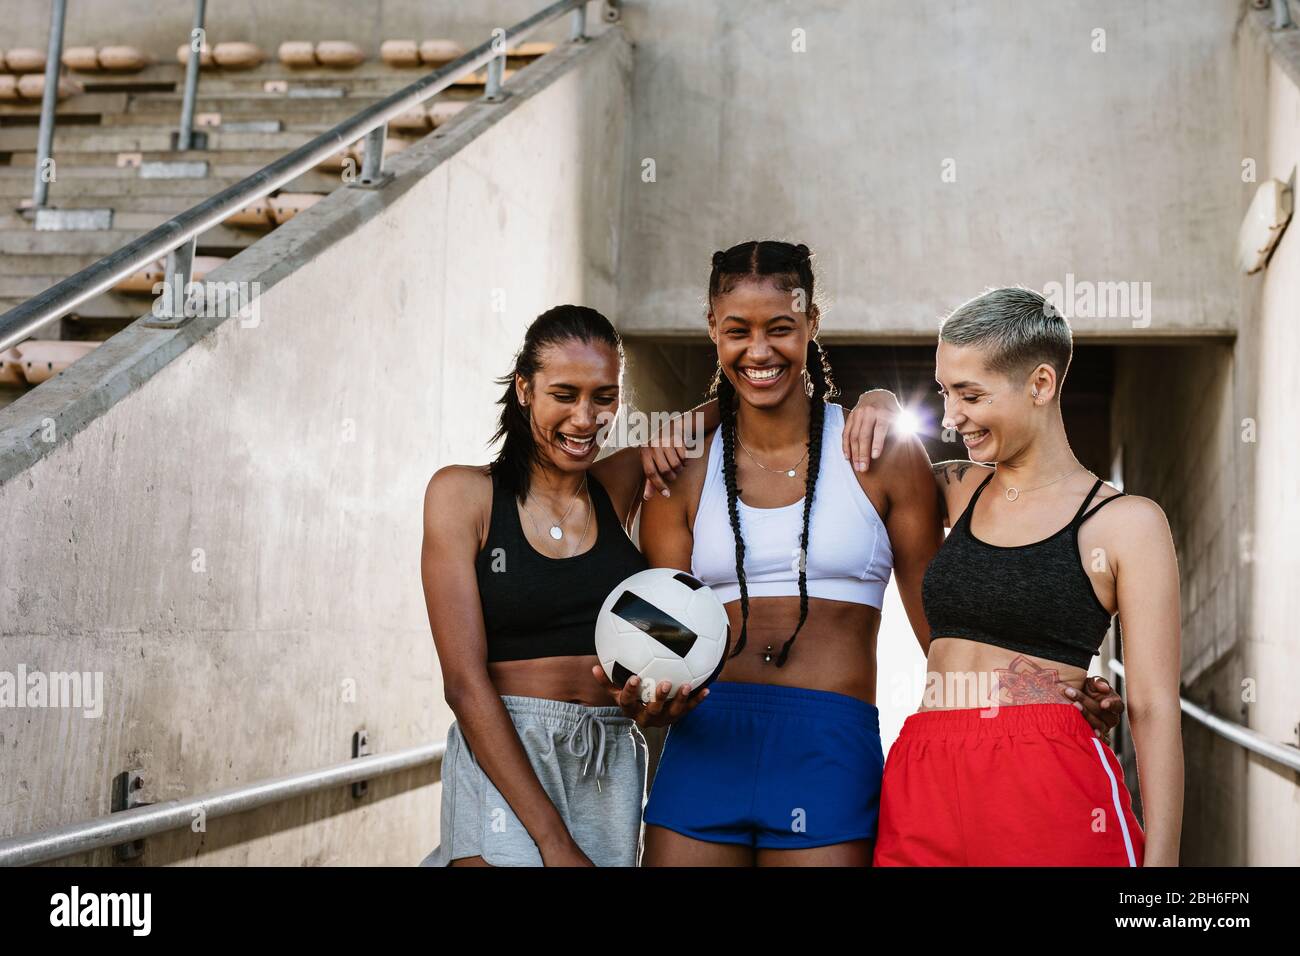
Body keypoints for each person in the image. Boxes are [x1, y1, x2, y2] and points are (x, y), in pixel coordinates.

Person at [626, 243, 1126, 866]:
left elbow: (946, 630)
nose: (759, 350)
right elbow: (659, 632)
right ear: (712, 331)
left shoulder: (880, 455)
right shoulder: (683, 469)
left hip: (828, 748)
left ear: (812, 325)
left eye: (781, 327)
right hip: (706, 738)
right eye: (737, 331)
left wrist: (1044, 693)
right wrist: (646, 695)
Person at [869, 287, 1183, 866]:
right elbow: (854, 472)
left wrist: (1163, 871)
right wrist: (877, 399)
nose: (950, 415)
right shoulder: (956, 488)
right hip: (923, 769)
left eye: (970, 394)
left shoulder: (1126, 524)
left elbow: (1153, 706)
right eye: (944, 392)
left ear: (1040, 385)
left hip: (1046, 777)